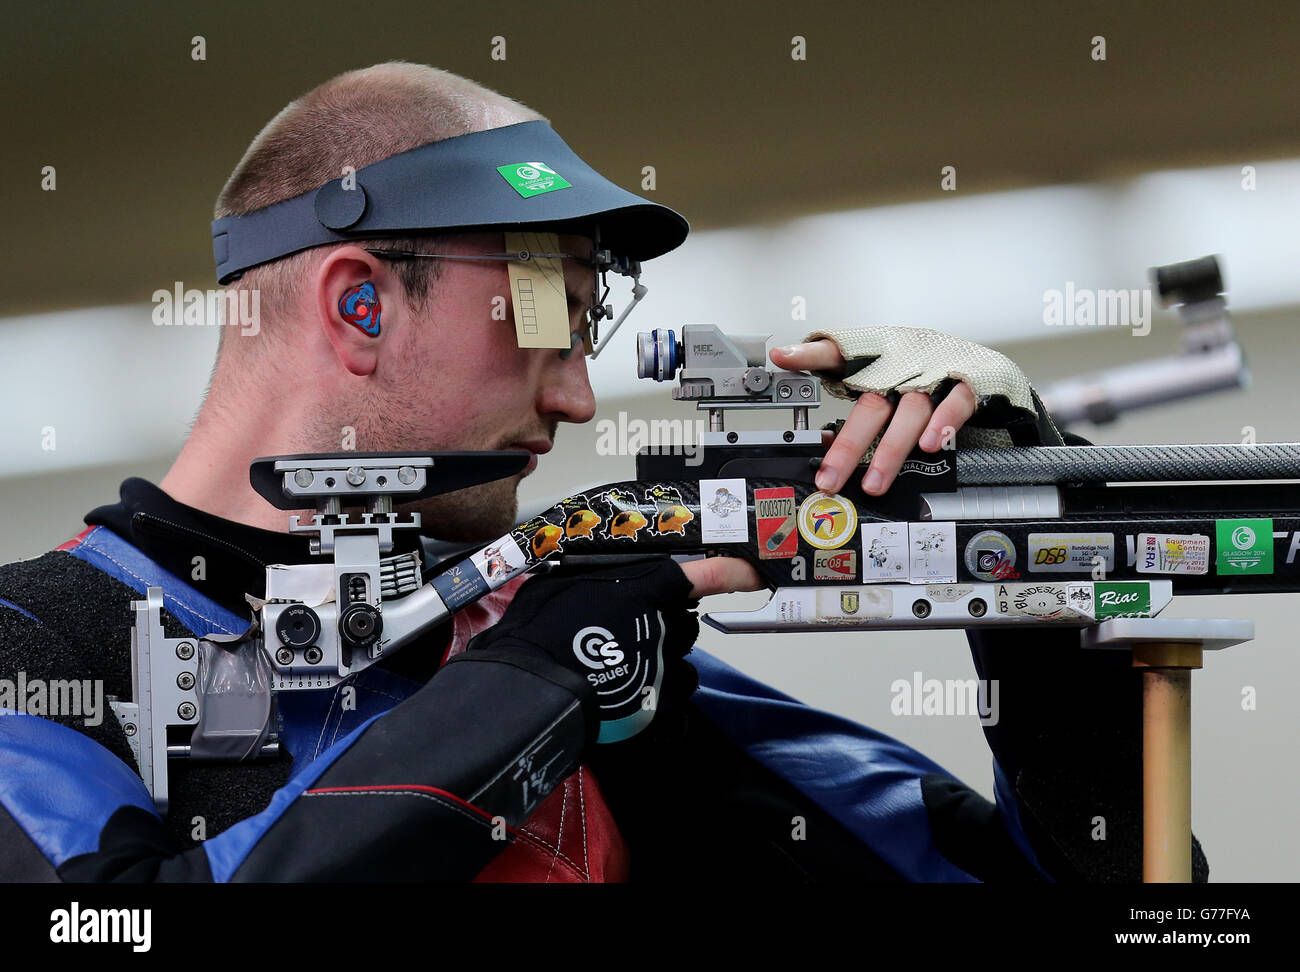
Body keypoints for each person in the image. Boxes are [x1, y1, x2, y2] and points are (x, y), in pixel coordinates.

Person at [0, 62, 1205, 882]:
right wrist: (540, 672)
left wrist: (1024, 541)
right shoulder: (36, 644)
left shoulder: (572, 649)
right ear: (360, 303)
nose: (578, 397)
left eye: (590, 330)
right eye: (545, 318)